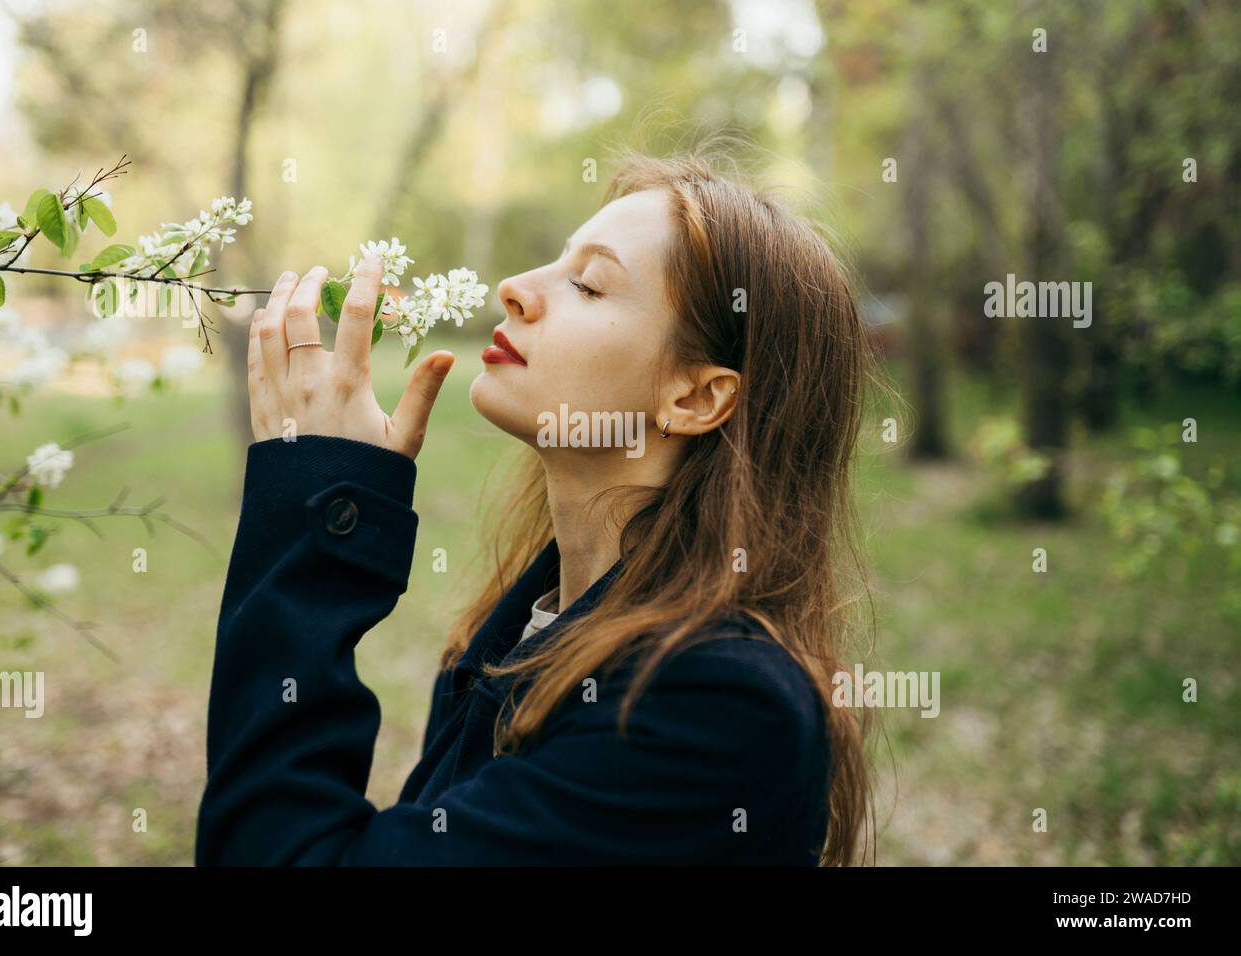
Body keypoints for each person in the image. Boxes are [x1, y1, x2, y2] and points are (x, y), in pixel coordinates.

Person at [195, 150, 876, 866]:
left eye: (587, 284)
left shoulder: (715, 705)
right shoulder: (521, 630)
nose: (513, 289)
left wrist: (319, 525)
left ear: (697, 397)